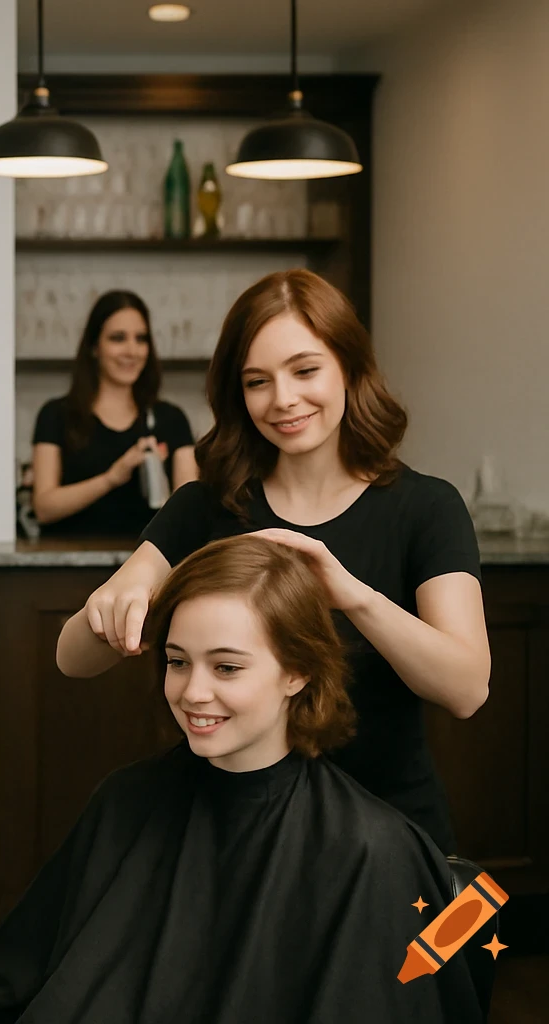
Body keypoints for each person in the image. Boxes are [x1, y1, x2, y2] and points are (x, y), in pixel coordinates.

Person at [0, 536, 483, 1024]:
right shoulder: (127, 801)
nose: (192, 692)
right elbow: (19, 983)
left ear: (297, 672)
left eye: (227, 667)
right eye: (178, 662)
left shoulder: (371, 849)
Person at [55, 269, 488, 852]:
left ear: (350, 367)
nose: (283, 399)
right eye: (257, 380)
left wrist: (354, 596)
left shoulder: (427, 508)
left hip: (390, 837)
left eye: (306, 370)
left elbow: (467, 689)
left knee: (431, 948)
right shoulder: (203, 508)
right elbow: (71, 659)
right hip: (230, 836)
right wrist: (119, 596)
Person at [31, 290, 197, 537]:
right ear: (94, 347)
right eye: (118, 338)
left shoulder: (171, 419)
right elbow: (44, 507)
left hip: (154, 571)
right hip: (66, 569)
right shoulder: (55, 415)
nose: (132, 350)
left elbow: (191, 512)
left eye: (141, 339)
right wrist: (111, 478)